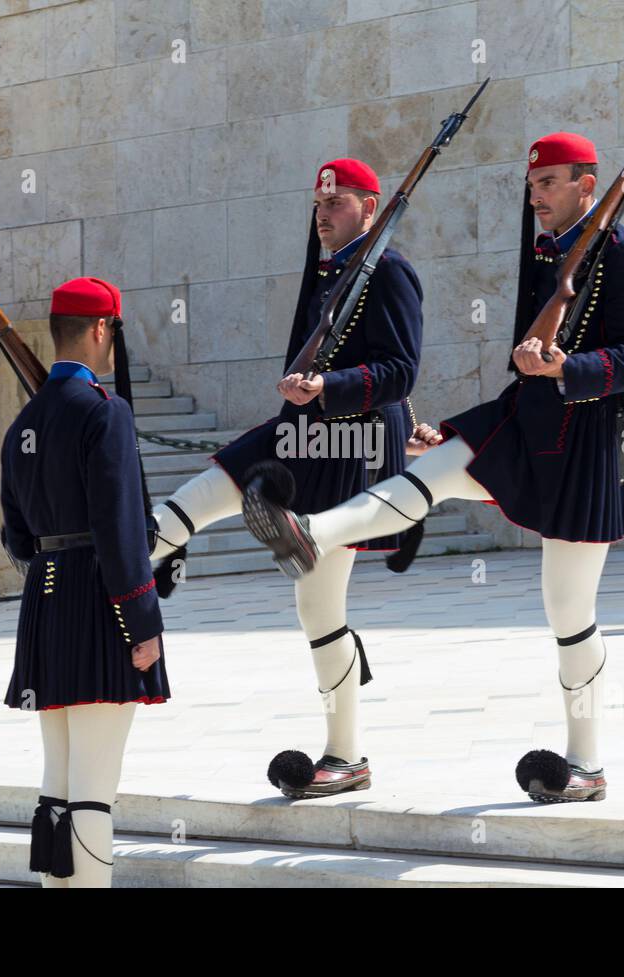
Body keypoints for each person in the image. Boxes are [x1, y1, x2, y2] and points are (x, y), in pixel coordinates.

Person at [242, 133, 624, 804]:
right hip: (527, 418)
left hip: (588, 438)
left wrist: (567, 368)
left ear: (590, 185)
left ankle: (585, 764)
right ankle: (314, 533)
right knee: (433, 470)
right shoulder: (544, 253)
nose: (537, 194)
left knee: (568, 606)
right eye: (534, 183)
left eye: (551, 182)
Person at [148, 158, 434, 798]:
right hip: (301, 432)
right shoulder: (328, 268)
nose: (323, 215)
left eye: (336, 205)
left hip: (349, 445)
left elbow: (399, 370)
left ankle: (346, 754)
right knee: (204, 491)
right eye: (318, 205)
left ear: (370, 206)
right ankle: (122, 567)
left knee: (318, 608)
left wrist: (328, 387)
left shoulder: (390, 270)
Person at [0, 277, 167, 886]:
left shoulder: (23, 420)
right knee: (95, 787)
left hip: (44, 605)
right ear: (103, 330)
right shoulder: (104, 412)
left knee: (59, 782)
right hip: (102, 604)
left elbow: (16, 537)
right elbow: (121, 530)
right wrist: (143, 623)